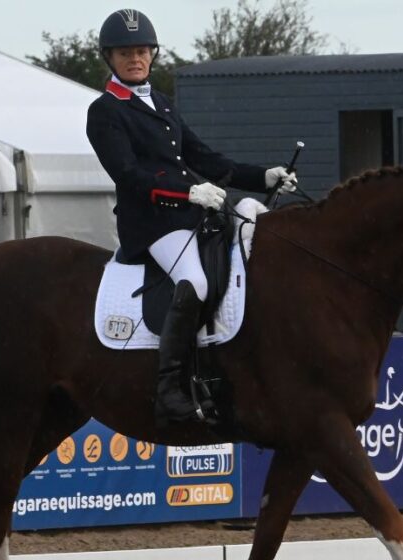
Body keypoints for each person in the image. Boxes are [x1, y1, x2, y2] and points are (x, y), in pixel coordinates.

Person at [86, 9, 297, 426]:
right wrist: (187, 192)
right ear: (110, 58)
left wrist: (264, 176)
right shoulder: (105, 110)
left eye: (142, 51)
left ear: (152, 54)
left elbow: (205, 159)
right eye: (126, 53)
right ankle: (169, 390)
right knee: (195, 282)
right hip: (150, 223)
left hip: (189, 214)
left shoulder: (162, 102)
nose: (135, 59)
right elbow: (128, 174)